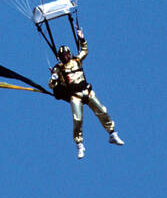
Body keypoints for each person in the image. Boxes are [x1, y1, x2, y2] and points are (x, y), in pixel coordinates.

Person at [49, 28, 123, 159]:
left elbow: (85, 51)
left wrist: (81, 38)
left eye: (67, 54)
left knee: (103, 110)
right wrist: (53, 79)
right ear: (60, 57)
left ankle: (112, 134)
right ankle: (79, 144)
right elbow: (51, 85)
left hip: (87, 91)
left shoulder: (76, 60)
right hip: (75, 96)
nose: (66, 56)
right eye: (64, 55)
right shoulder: (58, 69)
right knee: (77, 120)